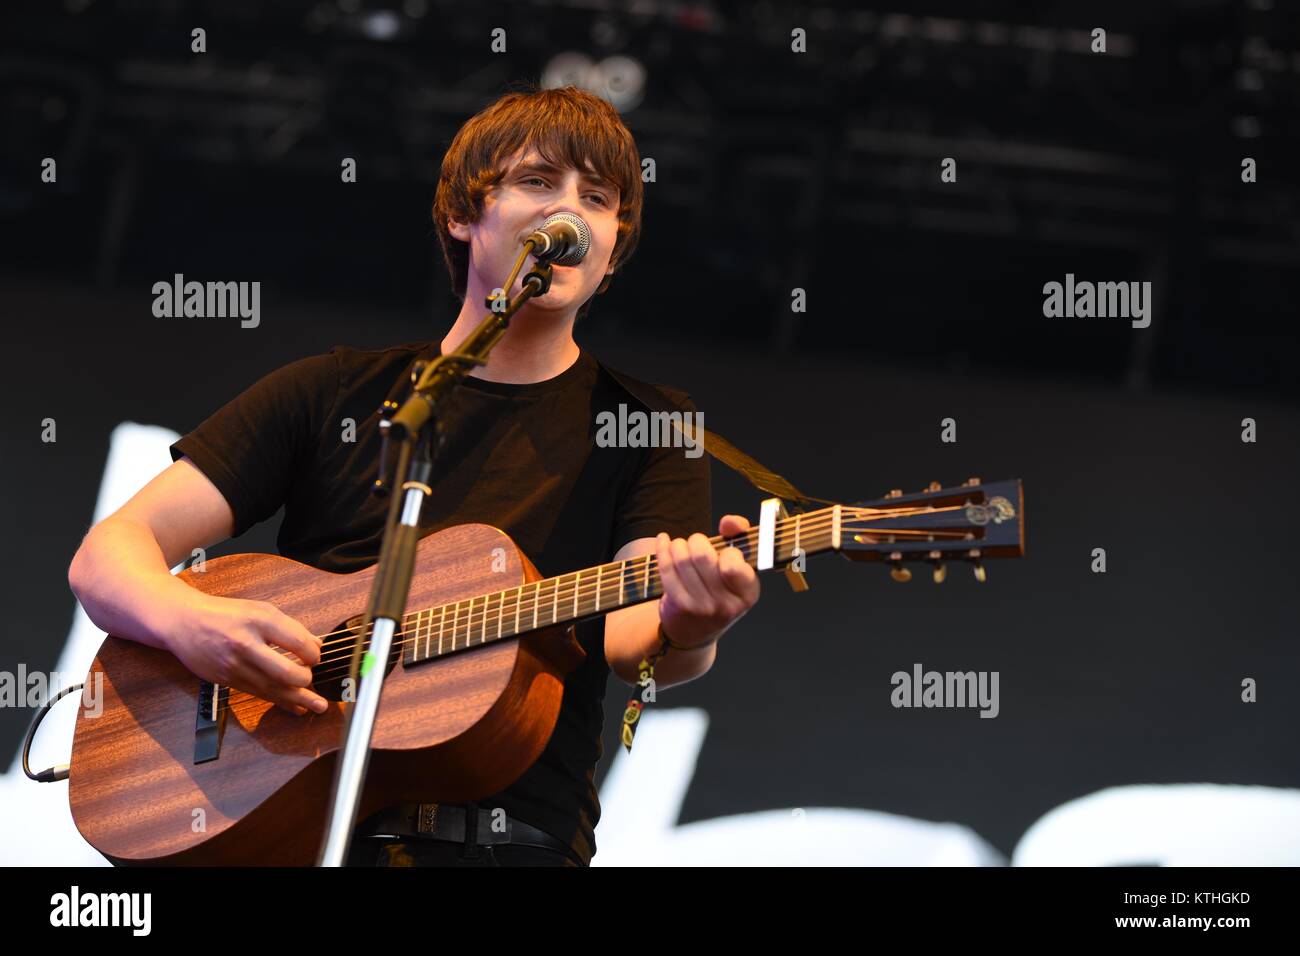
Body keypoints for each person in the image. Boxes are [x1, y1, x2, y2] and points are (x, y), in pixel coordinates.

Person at [67, 85, 760, 867]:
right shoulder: (333, 393)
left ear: (610, 247)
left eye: (596, 198)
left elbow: (638, 637)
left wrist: (692, 626)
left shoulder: (650, 427)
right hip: (298, 825)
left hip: (513, 843)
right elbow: (107, 555)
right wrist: (191, 625)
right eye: (539, 183)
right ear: (467, 214)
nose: (569, 211)